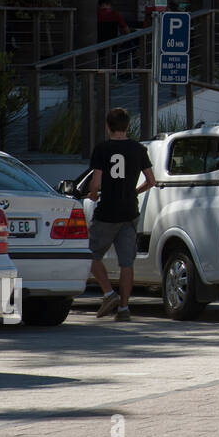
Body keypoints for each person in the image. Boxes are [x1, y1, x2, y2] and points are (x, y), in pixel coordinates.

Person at [81, 107, 155, 321]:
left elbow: (95, 182)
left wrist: (93, 195)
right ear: (127, 126)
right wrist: (134, 191)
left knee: (91, 254)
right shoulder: (139, 149)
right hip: (129, 211)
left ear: (108, 126)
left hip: (107, 212)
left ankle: (108, 293)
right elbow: (151, 181)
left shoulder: (102, 149)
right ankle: (124, 308)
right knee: (127, 263)